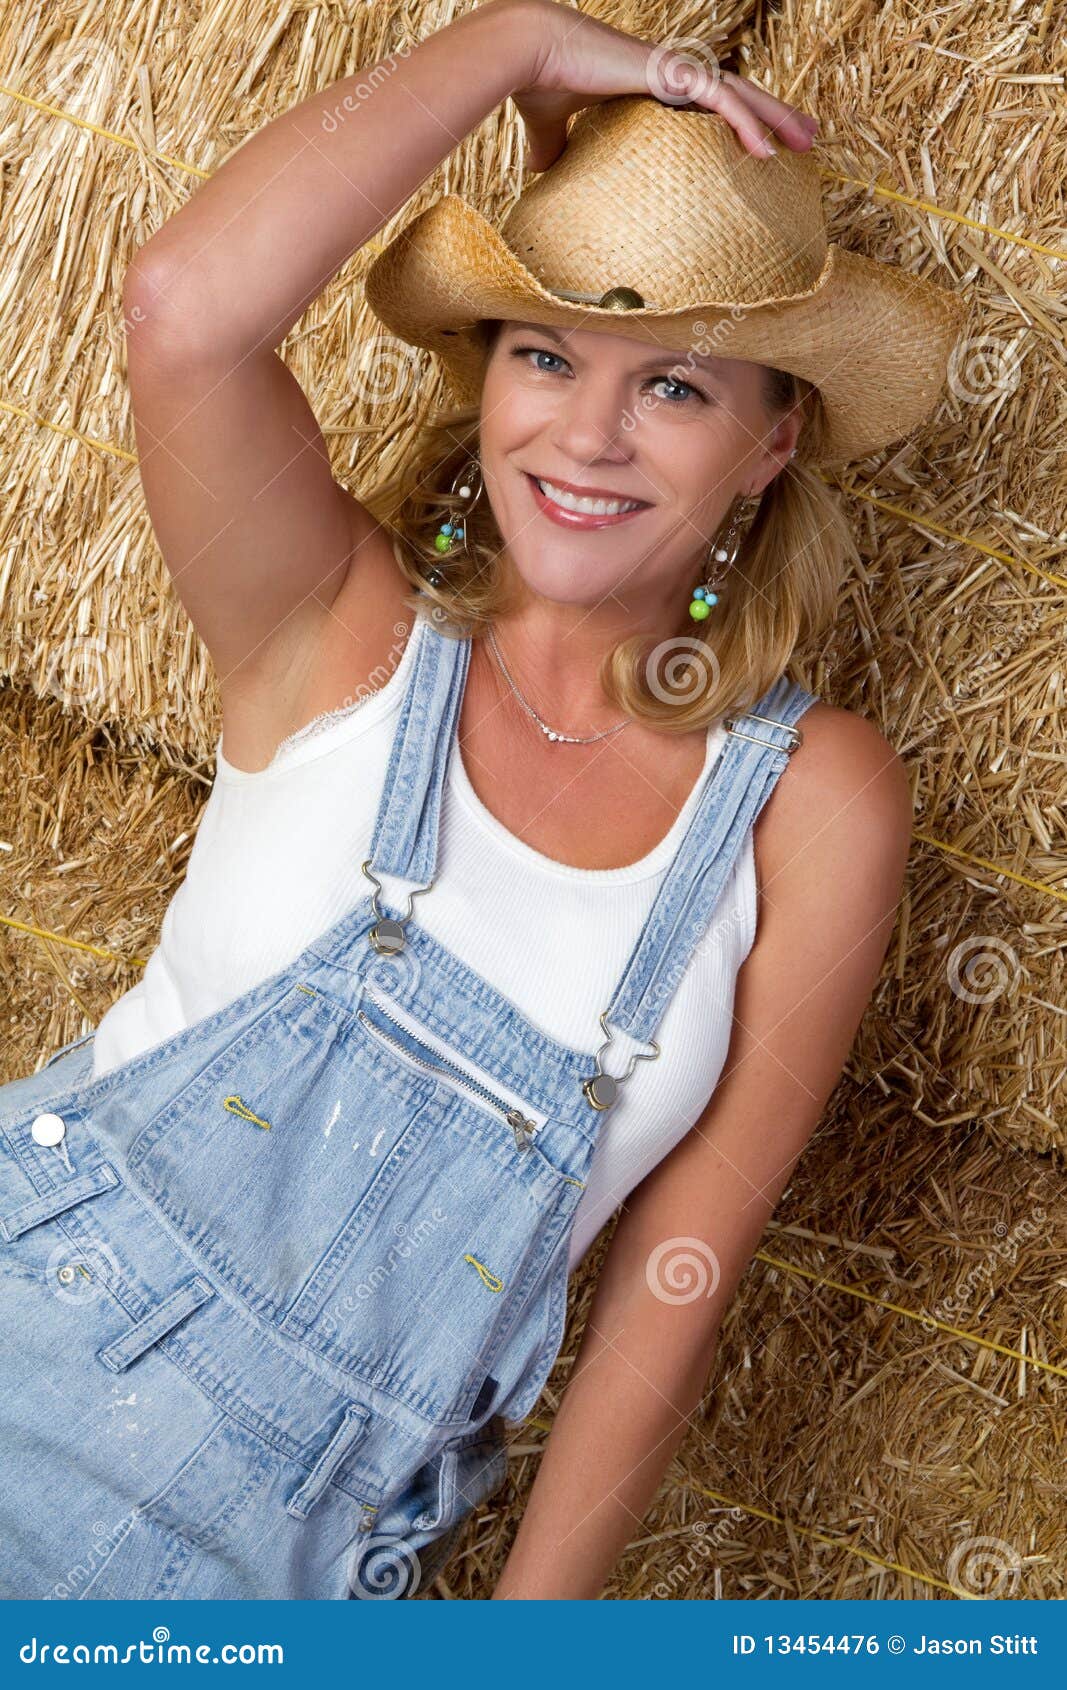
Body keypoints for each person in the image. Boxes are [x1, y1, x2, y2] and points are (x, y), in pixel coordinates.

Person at [0, 0, 965, 1601]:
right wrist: (515, 46)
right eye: (544, 352)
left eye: (673, 386)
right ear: (487, 382)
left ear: (769, 442)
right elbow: (179, 310)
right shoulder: (336, 625)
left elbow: (681, 1274)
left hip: (303, 1561)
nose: (587, 434)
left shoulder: (812, 800)